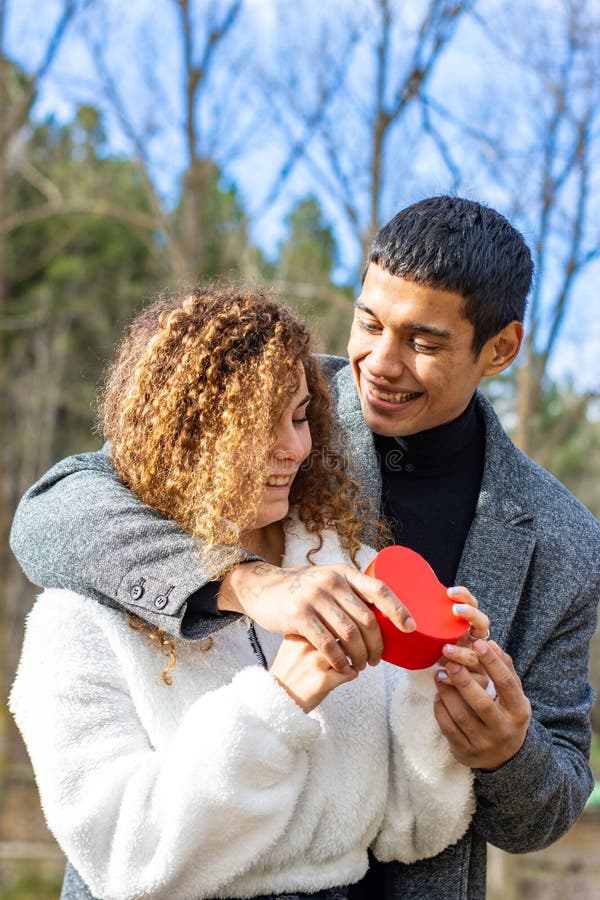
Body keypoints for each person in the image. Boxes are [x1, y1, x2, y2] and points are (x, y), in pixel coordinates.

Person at [10, 197, 600, 899]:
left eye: (425, 341)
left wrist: (508, 753)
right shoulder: (261, 389)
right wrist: (247, 581)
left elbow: (552, 800)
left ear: (500, 349)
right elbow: (55, 510)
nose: (379, 363)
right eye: (368, 321)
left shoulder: (564, 541)